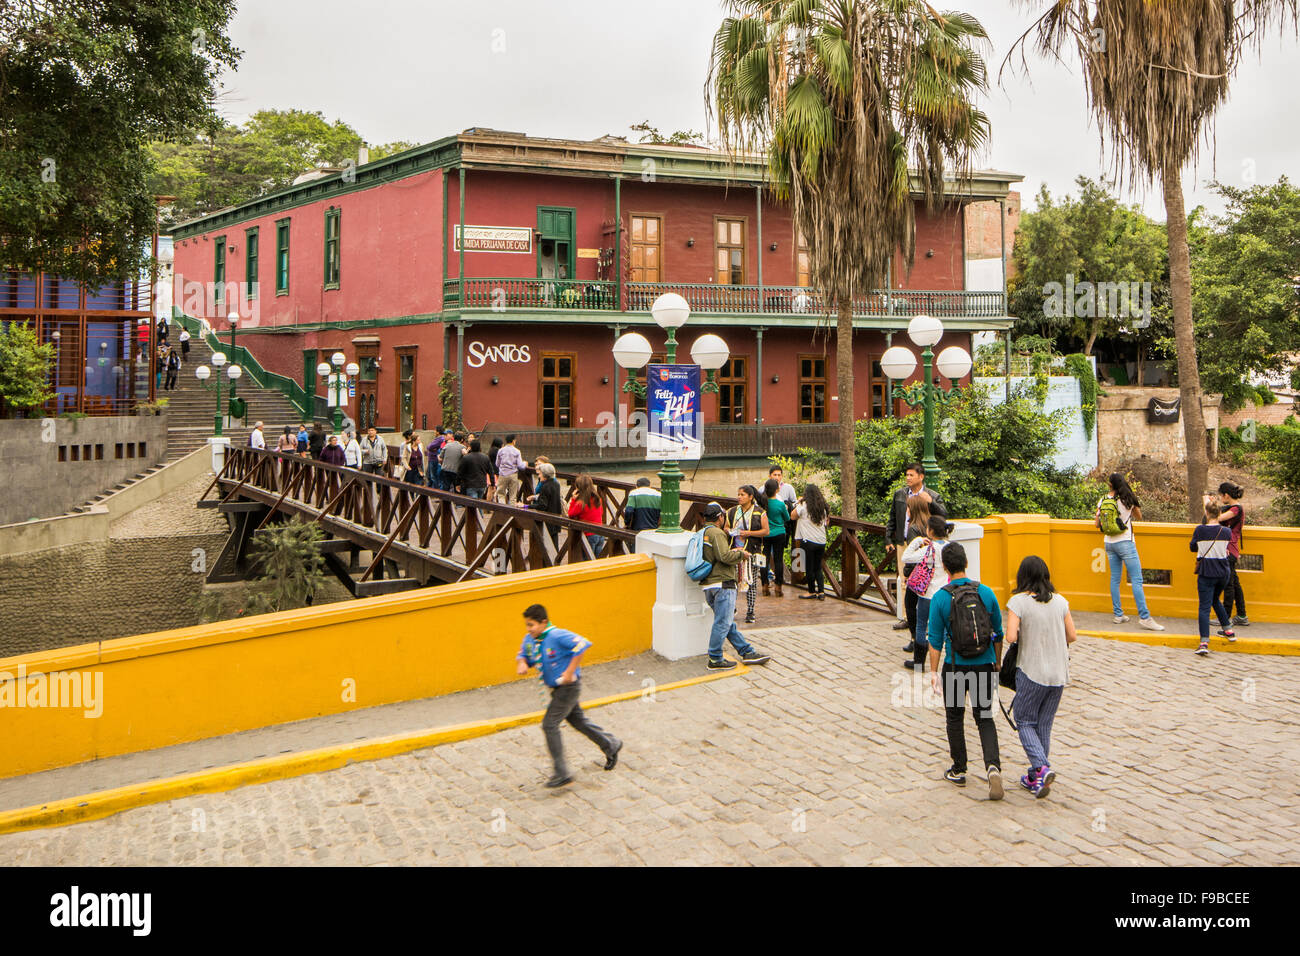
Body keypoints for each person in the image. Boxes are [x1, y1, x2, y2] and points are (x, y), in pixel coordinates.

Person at [926, 542, 1004, 800]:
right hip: (984, 663)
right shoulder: (986, 593)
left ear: (946, 568)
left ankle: (959, 769)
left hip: (956, 665)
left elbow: (935, 641)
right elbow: (998, 633)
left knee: (955, 718)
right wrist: (997, 662)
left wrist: (934, 673)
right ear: (966, 563)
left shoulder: (940, 599)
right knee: (984, 718)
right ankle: (993, 766)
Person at [516, 604, 622, 789]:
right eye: (527, 625)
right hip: (556, 690)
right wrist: (522, 663)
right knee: (578, 721)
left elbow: (582, 644)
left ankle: (561, 773)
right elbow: (524, 654)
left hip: (568, 688)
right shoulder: (531, 639)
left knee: (549, 725)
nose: (528, 629)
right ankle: (610, 744)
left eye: (531, 625)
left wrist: (569, 671)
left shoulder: (557, 635)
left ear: (543, 622)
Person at [1005, 555, 1077, 798]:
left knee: (1024, 721)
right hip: (1058, 674)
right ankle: (1037, 778)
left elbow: (1011, 637)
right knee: (1044, 724)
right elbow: (1072, 635)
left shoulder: (1019, 602)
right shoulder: (1060, 602)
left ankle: (1041, 767)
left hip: (1031, 670)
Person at [698, 502, 772, 670]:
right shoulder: (716, 533)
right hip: (722, 582)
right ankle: (715, 658)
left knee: (727, 621)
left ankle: (746, 651)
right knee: (723, 623)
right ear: (720, 518)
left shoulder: (702, 532)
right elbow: (724, 556)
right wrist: (741, 554)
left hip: (709, 584)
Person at [1095, 473, 1165, 631]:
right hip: (1126, 542)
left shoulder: (1103, 500)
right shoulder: (1127, 498)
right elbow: (1139, 516)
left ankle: (1118, 615)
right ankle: (1145, 617)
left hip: (1109, 543)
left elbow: (1096, 523)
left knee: (1115, 580)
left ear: (1110, 484)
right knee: (1137, 580)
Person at [886, 463, 947, 630]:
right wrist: (888, 538)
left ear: (921, 477)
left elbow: (944, 517)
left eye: (911, 475)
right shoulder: (900, 494)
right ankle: (908, 616)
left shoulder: (932, 495)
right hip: (904, 541)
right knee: (905, 579)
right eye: (907, 475)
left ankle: (925, 616)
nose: (908, 478)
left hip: (924, 542)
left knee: (925, 577)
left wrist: (931, 503)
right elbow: (892, 517)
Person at [902, 515, 952, 670]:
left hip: (927, 593)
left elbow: (906, 557)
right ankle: (940, 658)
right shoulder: (949, 547)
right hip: (944, 593)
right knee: (942, 627)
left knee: (921, 626)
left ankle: (919, 664)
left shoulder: (929, 550)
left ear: (930, 531)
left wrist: (917, 541)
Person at [1192, 499, 1236, 655]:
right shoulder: (1226, 532)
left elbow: (1192, 547)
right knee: (1215, 599)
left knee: (1204, 607)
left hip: (1207, 573)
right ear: (1219, 514)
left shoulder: (1199, 530)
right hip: (1223, 573)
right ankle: (1228, 630)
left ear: (1206, 513)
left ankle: (1204, 642)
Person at [726, 485, 769, 624]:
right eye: (738, 494)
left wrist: (748, 533)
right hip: (735, 550)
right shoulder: (732, 511)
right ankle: (732, 607)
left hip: (752, 551)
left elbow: (766, 531)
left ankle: (750, 611)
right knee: (733, 581)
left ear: (751, 497)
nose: (739, 497)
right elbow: (726, 526)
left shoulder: (759, 512)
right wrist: (729, 531)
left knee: (751, 581)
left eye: (743, 495)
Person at [900, 495, 933, 654]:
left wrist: (906, 573)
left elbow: (911, 556)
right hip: (929, 573)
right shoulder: (930, 524)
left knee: (911, 606)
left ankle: (915, 639)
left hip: (917, 574)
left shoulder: (914, 528)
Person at [1216, 481, 1249, 627]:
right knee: (1235, 584)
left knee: (1228, 585)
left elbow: (1217, 519)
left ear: (1226, 495)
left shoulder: (1236, 509)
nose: (1220, 498)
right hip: (1231, 549)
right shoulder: (1234, 508)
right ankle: (1241, 615)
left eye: (1220, 496)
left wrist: (1208, 504)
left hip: (1228, 549)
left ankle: (1225, 617)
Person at [791, 483, 830, 599]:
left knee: (809, 567)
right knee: (818, 566)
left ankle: (811, 591)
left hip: (808, 540)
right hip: (821, 541)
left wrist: (798, 502)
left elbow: (792, 516)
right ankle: (821, 592)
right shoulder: (823, 506)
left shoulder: (804, 505)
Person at [761, 477, 791, 598]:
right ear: (777, 490)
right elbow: (787, 518)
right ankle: (778, 587)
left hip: (766, 534)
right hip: (779, 533)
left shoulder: (763, 504)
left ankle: (764, 585)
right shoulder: (780, 504)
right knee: (778, 560)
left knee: (765, 559)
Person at [567, 472, 606, 557]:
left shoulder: (581, 503)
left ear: (578, 488)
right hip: (600, 533)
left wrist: (573, 499)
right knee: (598, 560)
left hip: (589, 535)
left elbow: (570, 514)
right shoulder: (597, 499)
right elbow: (601, 513)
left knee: (587, 560)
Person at [527, 461, 564, 547]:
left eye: (540, 474)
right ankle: (555, 560)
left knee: (546, 546)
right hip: (555, 517)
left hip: (547, 520)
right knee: (554, 544)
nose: (539, 476)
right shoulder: (556, 484)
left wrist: (527, 506)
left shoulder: (545, 486)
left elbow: (542, 505)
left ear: (545, 474)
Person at [495, 434, 527, 505]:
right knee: (513, 496)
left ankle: (502, 511)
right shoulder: (517, 451)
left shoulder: (500, 451)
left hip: (503, 474)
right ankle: (512, 513)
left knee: (501, 494)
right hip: (513, 474)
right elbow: (520, 466)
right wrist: (525, 464)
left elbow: (497, 464)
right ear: (513, 441)